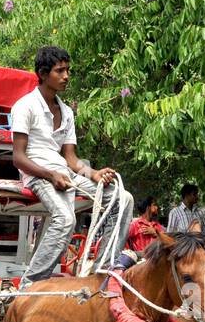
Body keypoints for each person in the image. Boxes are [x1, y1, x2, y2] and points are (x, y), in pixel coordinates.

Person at [10, 44, 132, 282]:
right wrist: (50, 175)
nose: (66, 76)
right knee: (66, 219)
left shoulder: (66, 112)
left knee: (123, 198)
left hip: (63, 173)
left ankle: (102, 272)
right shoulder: (25, 106)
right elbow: (19, 158)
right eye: (59, 71)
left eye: (67, 70)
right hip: (38, 175)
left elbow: (71, 159)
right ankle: (30, 285)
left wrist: (93, 173)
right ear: (43, 74)